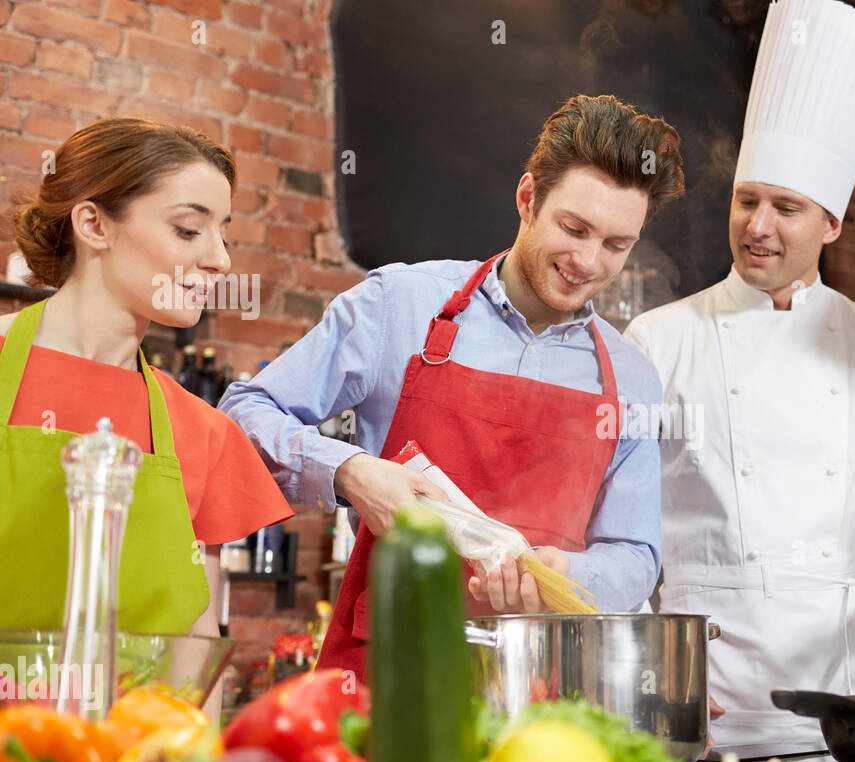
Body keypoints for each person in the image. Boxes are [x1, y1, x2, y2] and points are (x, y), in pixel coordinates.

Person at [221, 94, 684, 678]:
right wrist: (351, 472)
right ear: (527, 199)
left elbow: (636, 554)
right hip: (385, 677)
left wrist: (567, 576)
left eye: (616, 245)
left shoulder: (631, 378)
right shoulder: (399, 305)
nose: (589, 261)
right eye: (574, 228)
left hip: (539, 688)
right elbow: (244, 411)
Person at [624, 0, 855, 749]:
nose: (758, 227)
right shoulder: (659, 338)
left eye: (786, 208)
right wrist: (650, 681)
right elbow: (620, 526)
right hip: (710, 692)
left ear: (831, 223)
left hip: (854, 689)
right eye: (747, 201)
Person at [0, 117, 292, 642]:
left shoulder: (202, 430)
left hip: (138, 725)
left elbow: (196, 640)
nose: (220, 260)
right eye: (187, 229)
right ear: (93, 225)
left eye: (223, 232)